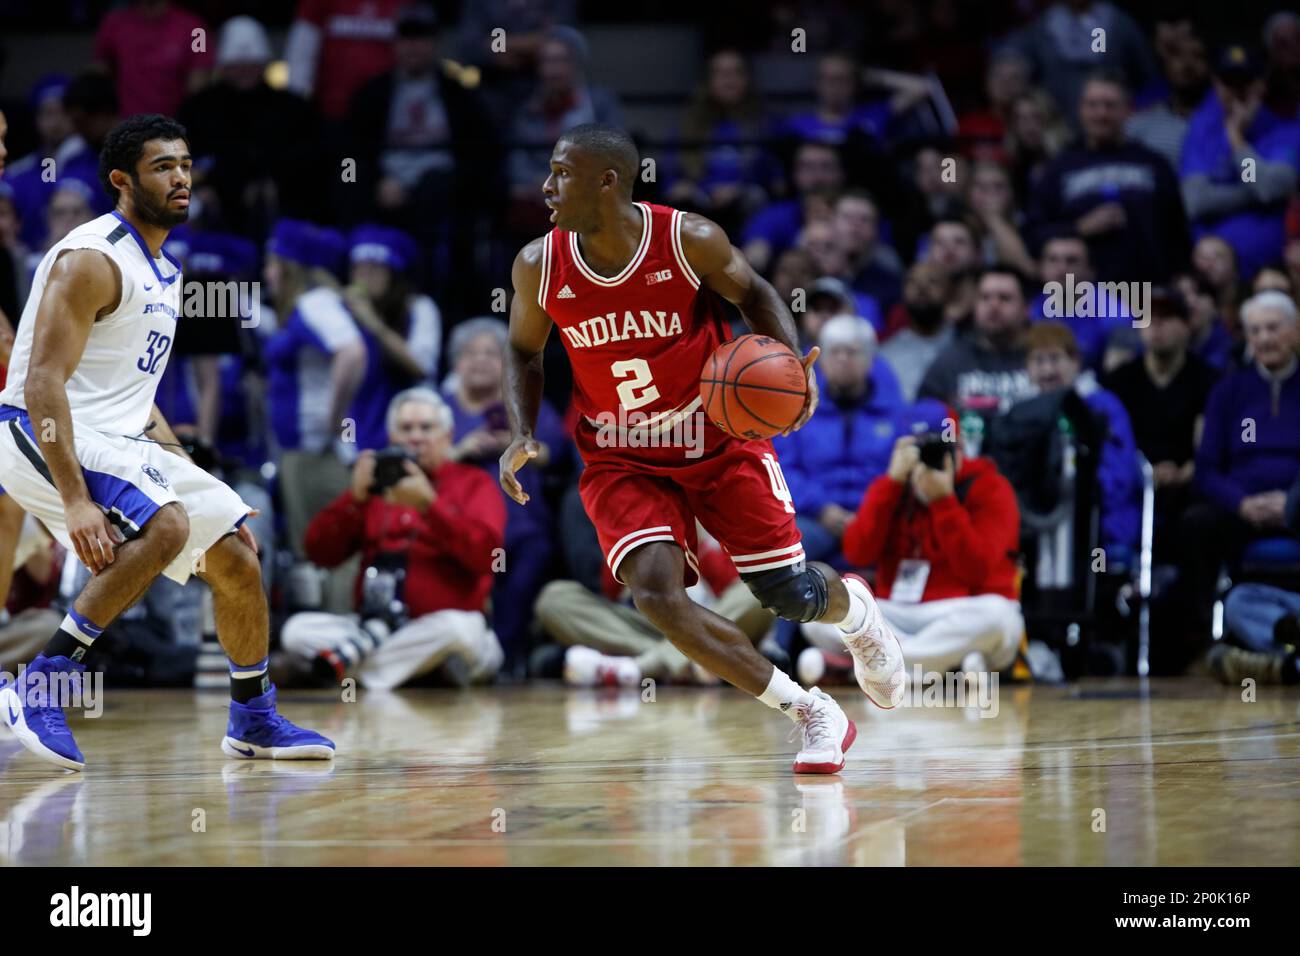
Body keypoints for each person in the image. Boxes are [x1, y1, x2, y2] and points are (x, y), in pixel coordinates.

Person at [501, 123, 907, 774]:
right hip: (621, 450)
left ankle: (858, 616)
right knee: (655, 593)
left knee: (790, 594)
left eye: (560, 173)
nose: (546, 187)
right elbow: (523, 349)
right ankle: (810, 711)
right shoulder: (538, 265)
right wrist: (521, 430)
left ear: (607, 180)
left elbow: (757, 294)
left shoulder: (687, 240)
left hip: (715, 437)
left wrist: (791, 372)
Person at [0, 115, 332, 770]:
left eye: (184, 164)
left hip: (119, 438)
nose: (180, 177)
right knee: (168, 526)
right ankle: (41, 685)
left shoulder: (166, 270)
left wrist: (186, 470)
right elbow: (41, 384)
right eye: (162, 167)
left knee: (235, 551)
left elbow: (135, 393)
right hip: (42, 430)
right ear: (122, 181)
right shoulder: (92, 259)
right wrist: (74, 501)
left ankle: (253, 718)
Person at [282, 388, 505, 688]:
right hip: (377, 626)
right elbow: (319, 553)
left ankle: (347, 668)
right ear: (391, 437)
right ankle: (415, 672)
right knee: (296, 631)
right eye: (406, 429)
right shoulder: (374, 489)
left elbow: (488, 558)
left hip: (439, 627)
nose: (415, 437)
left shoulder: (474, 482)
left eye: (426, 428)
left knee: (461, 630)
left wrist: (430, 507)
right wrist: (355, 498)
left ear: (447, 436)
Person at [801, 401, 1023, 681]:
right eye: (918, 451)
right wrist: (891, 485)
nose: (926, 462)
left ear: (960, 447)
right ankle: (942, 666)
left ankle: (881, 667)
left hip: (962, 609)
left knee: (1000, 618)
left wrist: (944, 502)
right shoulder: (893, 485)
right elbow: (857, 552)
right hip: (896, 611)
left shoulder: (990, 487)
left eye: (938, 450)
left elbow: (976, 569)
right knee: (820, 615)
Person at [1179, 290, 1300, 639]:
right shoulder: (1229, 390)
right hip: (1244, 510)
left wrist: (1292, 502)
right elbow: (1206, 469)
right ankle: (1205, 635)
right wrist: (1242, 504)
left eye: (1273, 328)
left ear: (1293, 331)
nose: (1264, 338)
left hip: (1298, 506)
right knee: (1195, 524)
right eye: (1255, 330)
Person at [1025, 69, 1190, 283]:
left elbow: (1178, 234)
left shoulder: (1154, 165)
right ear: (1081, 110)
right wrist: (1079, 228)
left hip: (1147, 292)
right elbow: (1033, 235)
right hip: (1079, 299)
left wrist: (1182, 278)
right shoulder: (1058, 168)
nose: (1101, 114)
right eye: (1092, 105)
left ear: (1128, 110)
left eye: (1110, 105)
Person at [772, 314, 898, 565]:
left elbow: (897, 474)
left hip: (876, 521)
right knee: (780, 548)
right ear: (822, 361)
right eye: (834, 352)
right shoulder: (797, 411)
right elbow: (783, 469)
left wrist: (870, 513)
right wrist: (822, 508)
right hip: (815, 518)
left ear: (871, 359)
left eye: (852, 352)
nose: (842, 359)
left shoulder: (895, 413)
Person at [1102, 287, 1218, 555]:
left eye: (1165, 317)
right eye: (1147, 318)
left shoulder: (1208, 380)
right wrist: (1141, 472)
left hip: (1188, 486)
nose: (1156, 326)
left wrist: (1188, 470)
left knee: (1200, 518)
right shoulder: (1119, 381)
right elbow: (1111, 442)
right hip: (1130, 483)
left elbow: (1212, 442)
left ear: (1186, 326)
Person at [1024, 321, 1142, 567]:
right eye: (1038, 361)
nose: (1047, 371)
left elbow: (1119, 479)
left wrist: (1071, 497)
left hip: (1100, 525)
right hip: (1038, 526)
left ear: (1076, 362)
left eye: (1055, 359)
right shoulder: (1021, 414)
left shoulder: (1102, 406)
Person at [1181, 45, 1300, 281]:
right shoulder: (1202, 129)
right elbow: (1196, 201)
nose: (1236, 92)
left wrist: (1237, 139)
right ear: (1216, 85)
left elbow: (1270, 188)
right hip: (1210, 275)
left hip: (1269, 272)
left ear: (1260, 84)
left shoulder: (1285, 131)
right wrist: (1256, 193)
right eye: (1229, 84)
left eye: (1245, 83)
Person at [340, 224, 440, 451]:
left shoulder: (419, 308)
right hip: (355, 428)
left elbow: (421, 366)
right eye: (358, 268)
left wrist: (373, 322)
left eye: (374, 269)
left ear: (394, 275)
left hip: (407, 427)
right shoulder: (342, 311)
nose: (364, 277)